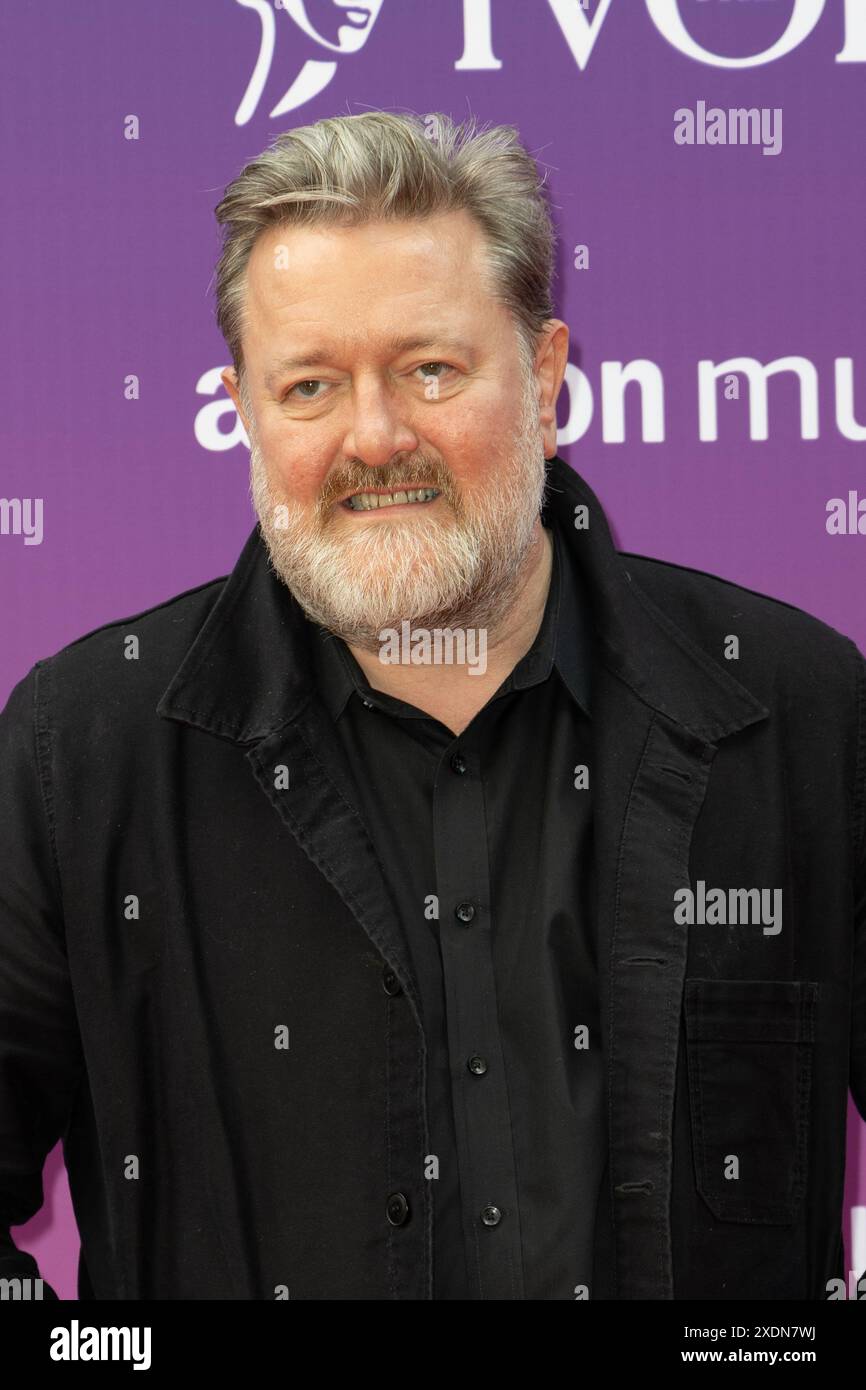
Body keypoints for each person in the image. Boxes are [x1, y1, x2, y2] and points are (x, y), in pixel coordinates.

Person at [1, 110, 864, 1301]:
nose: (375, 435)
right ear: (241, 408)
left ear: (547, 374)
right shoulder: (77, 750)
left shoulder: (799, 712)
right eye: (309, 384)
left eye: (429, 370)